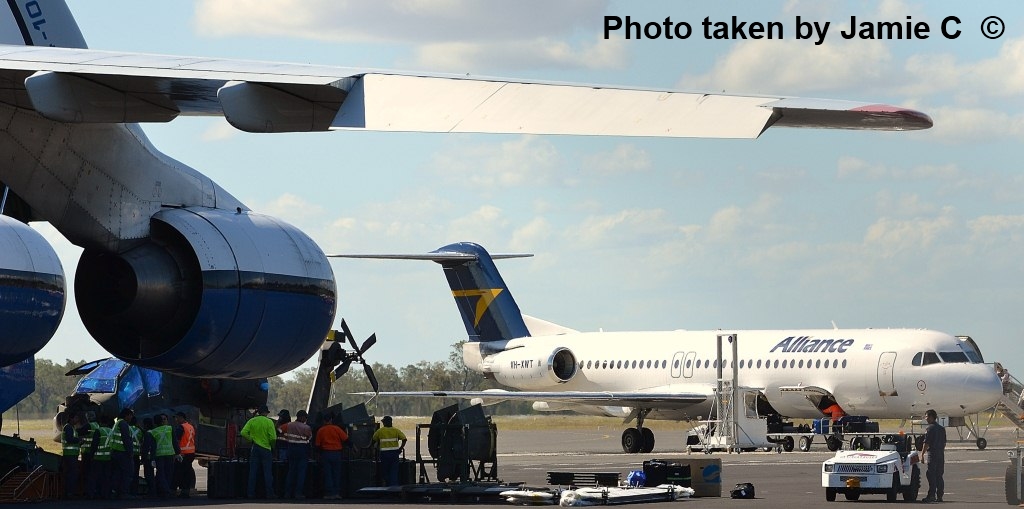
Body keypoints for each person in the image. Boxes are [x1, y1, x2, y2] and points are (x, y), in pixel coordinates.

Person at [241, 405, 277, 499]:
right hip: (266, 449)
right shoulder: (269, 422)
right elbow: (273, 438)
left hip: (255, 448)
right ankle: (269, 493)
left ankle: (250, 493)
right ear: (266, 413)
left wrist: (251, 439)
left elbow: (243, 432)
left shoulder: (252, 421)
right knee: (267, 472)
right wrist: (273, 447)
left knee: (253, 472)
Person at [314, 413, 348, 499]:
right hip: (336, 454)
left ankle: (329, 494)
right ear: (331, 420)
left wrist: (317, 455)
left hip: (326, 454)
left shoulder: (321, 430)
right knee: (336, 474)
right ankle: (336, 493)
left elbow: (317, 445)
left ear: (324, 421)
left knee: (327, 474)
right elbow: (346, 439)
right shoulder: (337, 429)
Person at [282, 409, 312, 499]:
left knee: (291, 472)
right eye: (305, 417)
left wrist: (285, 437)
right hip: (302, 450)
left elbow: (278, 430)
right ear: (302, 417)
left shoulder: (288, 425)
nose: (306, 419)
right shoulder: (306, 427)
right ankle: (298, 493)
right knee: (301, 473)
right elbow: (309, 439)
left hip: (291, 449)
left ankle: (287, 493)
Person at [107, 408, 135, 499]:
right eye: (130, 415)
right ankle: (124, 492)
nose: (131, 417)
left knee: (117, 473)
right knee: (128, 473)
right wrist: (130, 452)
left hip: (115, 452)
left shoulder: (117, 423)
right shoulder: (123, 424)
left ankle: (114, 491)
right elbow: (126, 439)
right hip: (122, 453)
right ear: (126, 415)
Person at [371, 415, 407, 487]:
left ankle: (386, 486)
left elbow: (373, 441)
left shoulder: (380, 431)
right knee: (394, 471)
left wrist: (376, 449)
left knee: (385, 471)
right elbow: (404, 439)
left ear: (384, 423)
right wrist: (400, 448)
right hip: (394, 454)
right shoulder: (396, 430)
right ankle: (393, 487)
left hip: (384, 454)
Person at [920, 408, 946, 503]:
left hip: (933, 453)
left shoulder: (930, 428)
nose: (926, 418)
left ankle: (931, 495)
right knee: (939, 475)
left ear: (931, 417)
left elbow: (926, 443)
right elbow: (944, 443)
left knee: (931, 474)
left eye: (926, 416)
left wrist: (922, 454)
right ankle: (940, 495)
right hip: (940, 453)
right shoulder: (942, 429)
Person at [149, 414, 176, 498]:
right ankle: (167, 490)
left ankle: (166, 490)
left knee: (161, 474)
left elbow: (153, 447)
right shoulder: (170, 428)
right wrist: (178, 453)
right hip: (169, 454)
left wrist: (152, 459)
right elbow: (175, 442)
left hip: (159, 455)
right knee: (169, 474)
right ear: (162, 421)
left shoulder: (153, 432)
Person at [172, 411, 196, 498]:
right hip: (191, 453)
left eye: (177, 417)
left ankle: (173, 491)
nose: (176, 419)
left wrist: (176, 453)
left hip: (183, 454)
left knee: (178, 473)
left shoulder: (181, 427)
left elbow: (177, 441)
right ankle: (185, 492)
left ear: (181, 417)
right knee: (187, 473)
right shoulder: (190, 427)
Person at [60, 412, 82, 499]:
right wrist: (78, 440)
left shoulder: (72, 428)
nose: (78, 420)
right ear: (71, 418)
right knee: (72, 473)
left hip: (72, 454)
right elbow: (69, 439)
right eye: (76, 418)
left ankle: (69, 492)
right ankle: (70, 493)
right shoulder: (68, 427)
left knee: (71, 473)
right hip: (70, 455)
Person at [139, 417, 156, 497]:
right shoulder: (154, 432)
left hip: (148, 457)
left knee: (148, 475)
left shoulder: (148, 434)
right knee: (151, 474)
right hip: (153, 456)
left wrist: (143, 458)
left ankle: (151, 492)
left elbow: (146, 447)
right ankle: (153, 491)